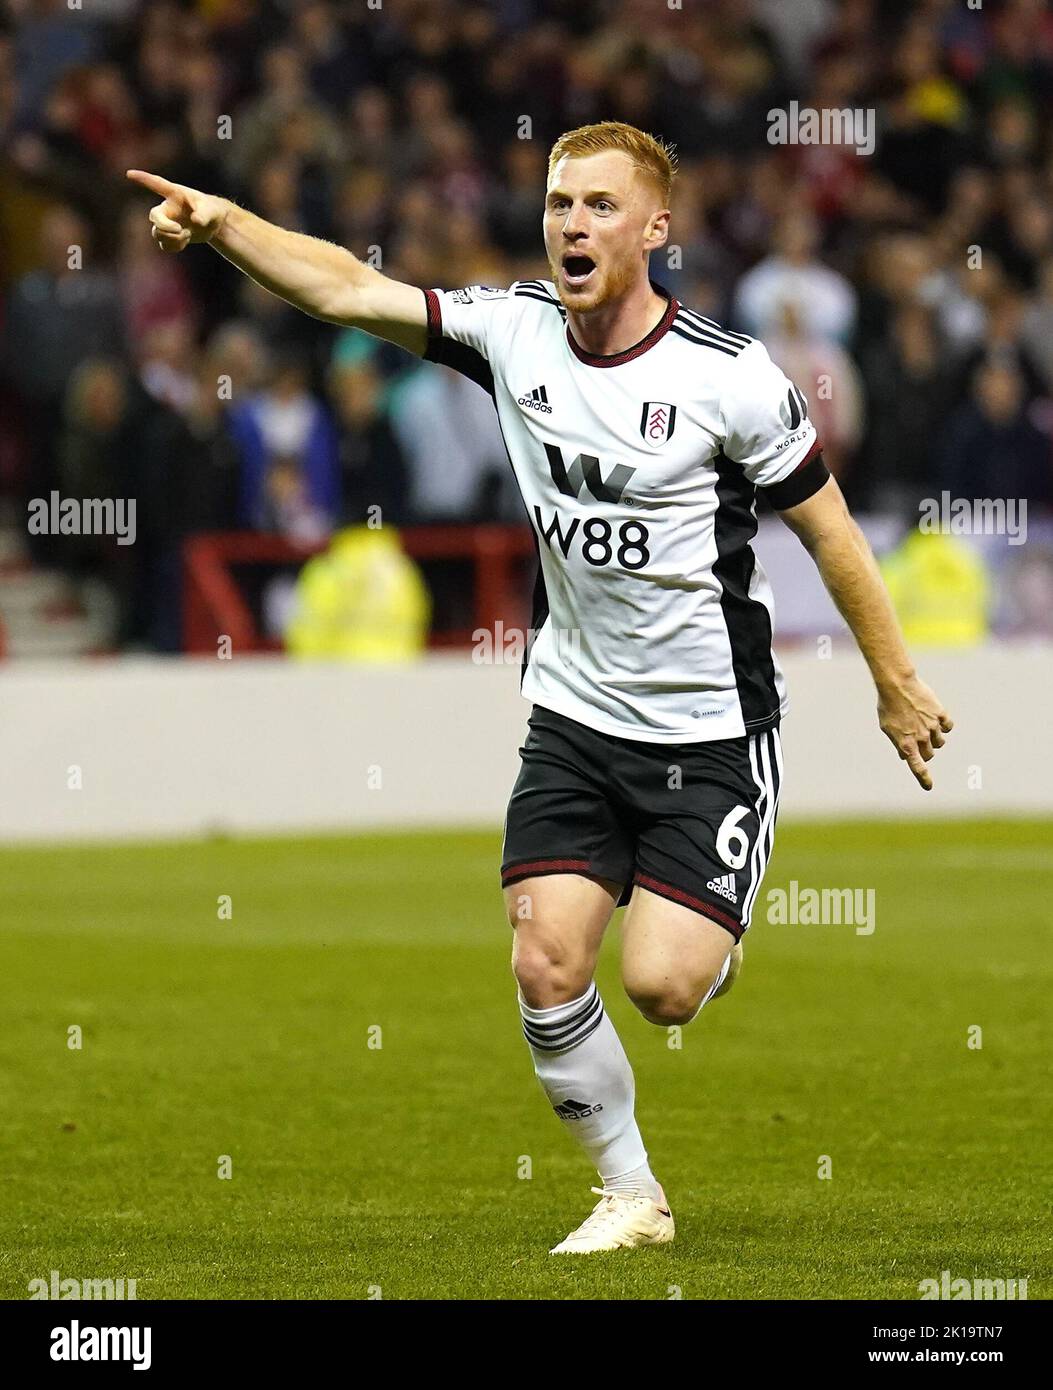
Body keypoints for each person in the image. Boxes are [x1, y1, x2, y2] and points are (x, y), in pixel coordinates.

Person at [126, 119, 953, 1256]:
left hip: (708, 730)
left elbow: (834, 535)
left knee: (662, 984)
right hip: (571, 712)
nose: (572, 223)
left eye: (601, 206)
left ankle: (704, 934)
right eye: (561, 202)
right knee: (543, 955)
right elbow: (349, 290)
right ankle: (631, 1194)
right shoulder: (514, 332)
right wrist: (224, 224)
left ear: (656, 230)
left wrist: (895, 682)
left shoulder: (730, 379)